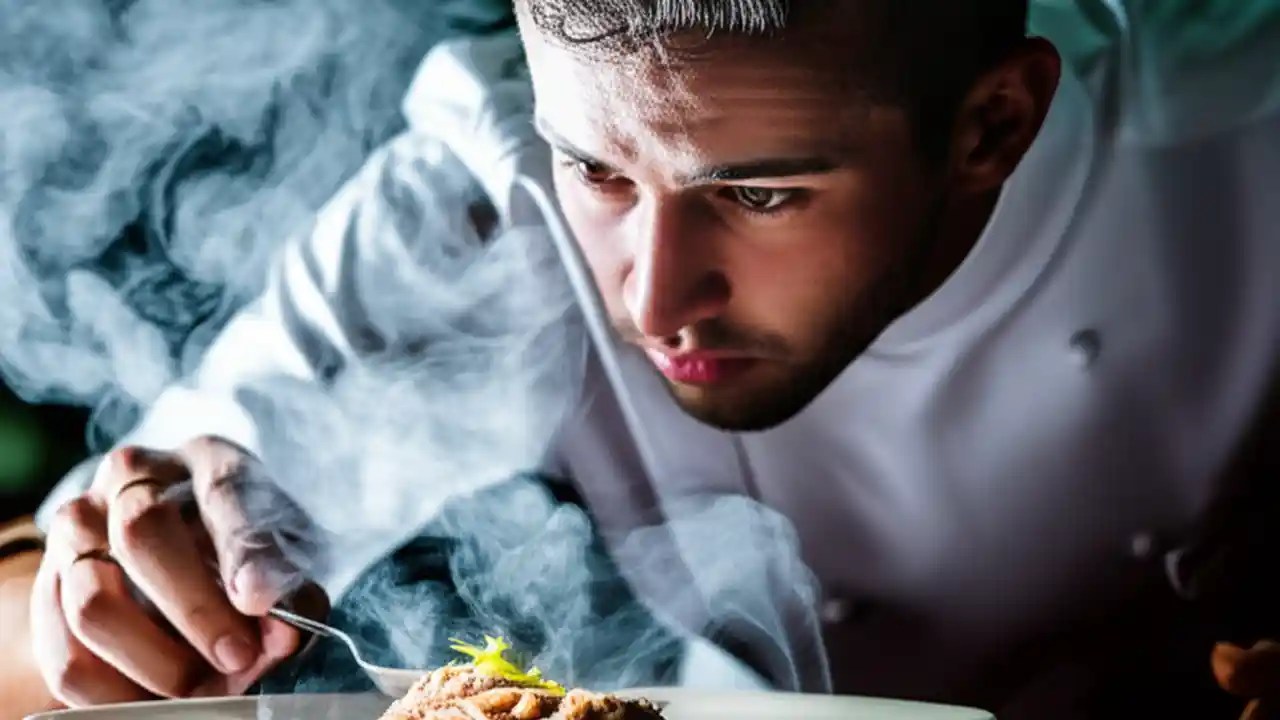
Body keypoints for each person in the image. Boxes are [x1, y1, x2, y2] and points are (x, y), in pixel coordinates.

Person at [2, 1, 1279, 718]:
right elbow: (30, 627)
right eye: (600, 172)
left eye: (761, 195)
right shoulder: (480, 204)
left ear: (991, 123)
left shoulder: (1242, 119)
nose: (655, 299)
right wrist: (107, 585)